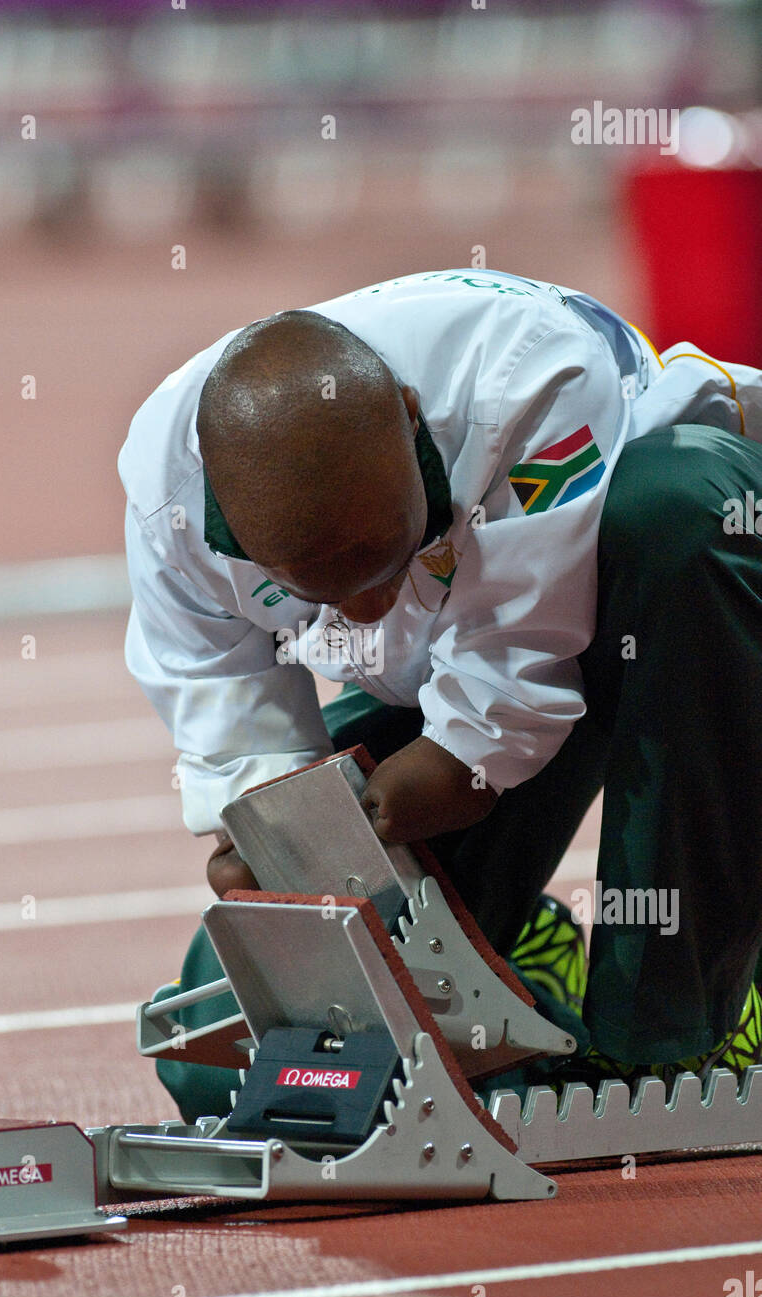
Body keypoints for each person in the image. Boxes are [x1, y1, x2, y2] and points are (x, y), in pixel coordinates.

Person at [118, 269, 762, 1119]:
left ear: (417, 425)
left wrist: (445, 772)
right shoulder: (170, 500)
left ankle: (683, 1032)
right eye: (321, 591)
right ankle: (519, 960)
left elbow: (515, 671)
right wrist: (280, 835)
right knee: (239, 1048)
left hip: (682, 616)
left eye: (388, 561)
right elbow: (232, 717)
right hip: (463, 675)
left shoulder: (529, 376)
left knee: (676, 515)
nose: (366, 608)